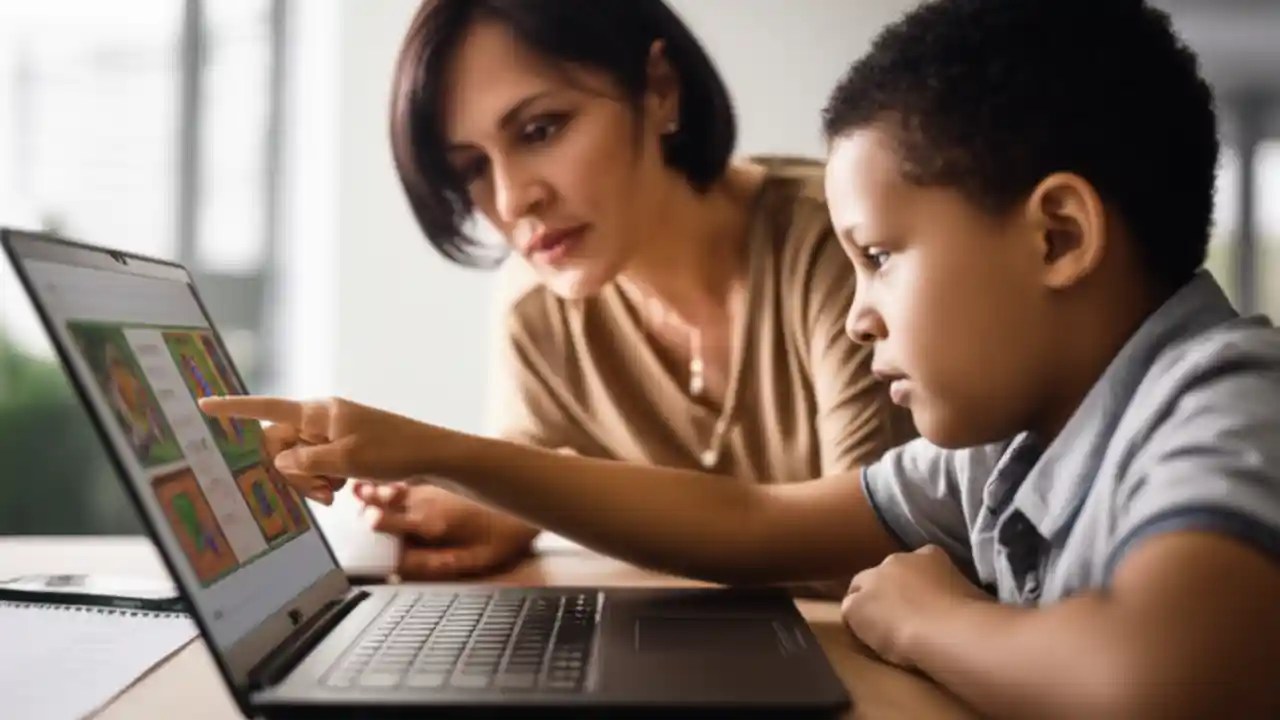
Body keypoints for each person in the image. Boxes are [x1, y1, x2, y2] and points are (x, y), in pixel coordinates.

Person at [203, 0, 1280, 716]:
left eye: (876, 258)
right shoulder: (998, 461)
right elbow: (757, 524)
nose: (860, 315)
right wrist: (434, 450)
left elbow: (1155, 675)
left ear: (1055, 237)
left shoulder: (1222, 395)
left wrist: (934, 619)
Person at [363, 0, 913, 580]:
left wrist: (461, 463)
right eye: (472, 167)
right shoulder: (539, 308)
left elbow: (867, 550)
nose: (510, 201)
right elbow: (534, 462)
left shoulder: (840, 250)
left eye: (540, 130)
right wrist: (499, 514)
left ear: (658, 88)